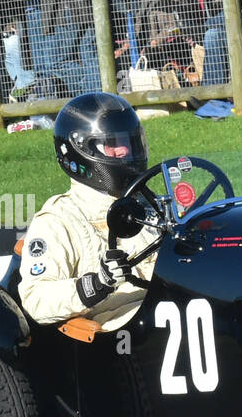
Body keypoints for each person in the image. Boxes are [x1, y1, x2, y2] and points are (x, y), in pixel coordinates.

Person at [17, 93, 160, 331]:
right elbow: (35, 298)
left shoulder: (151, 203)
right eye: (112, 143)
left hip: (171, 305)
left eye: (129, 142)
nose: (124, 151)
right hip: (121, 327)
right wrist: (98, 282)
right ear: (81, 149)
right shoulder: (58, 219)